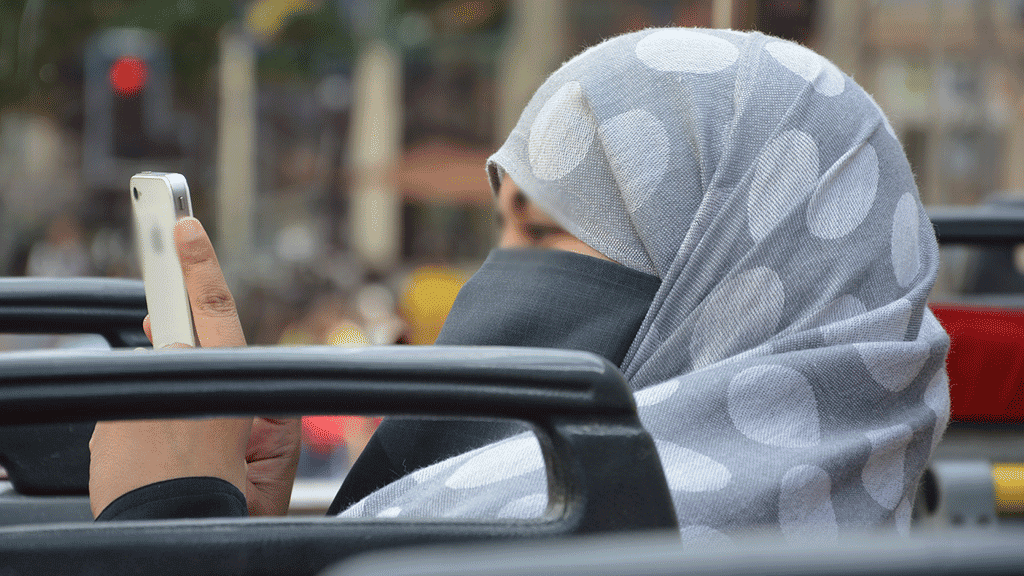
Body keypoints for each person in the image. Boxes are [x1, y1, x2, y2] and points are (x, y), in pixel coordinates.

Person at [89, 28, 950, 541]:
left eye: (543, 234)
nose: (500, 283)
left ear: (716, 272)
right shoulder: (862, 518)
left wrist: (163, 516)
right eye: (500, 232)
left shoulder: (548, 536)